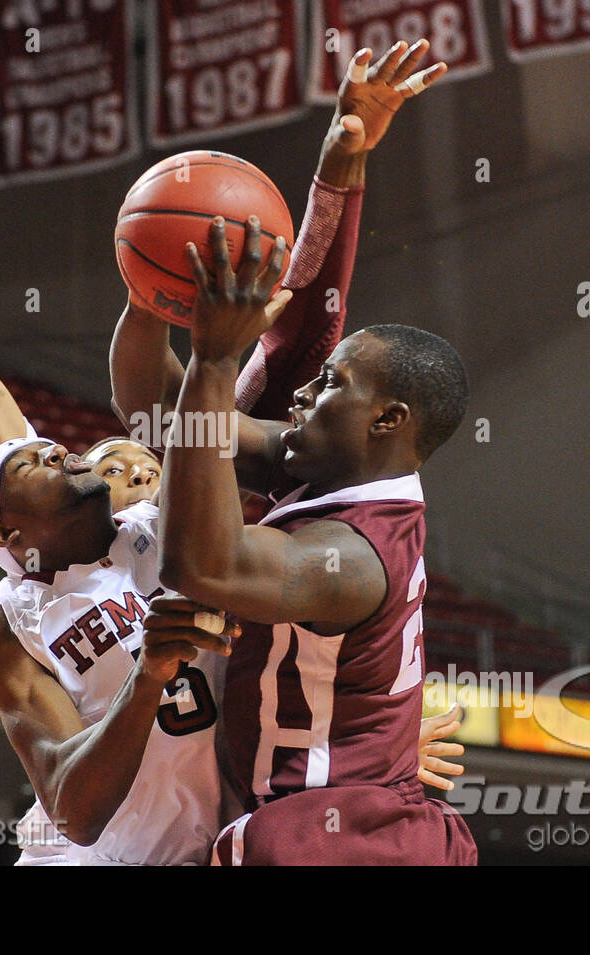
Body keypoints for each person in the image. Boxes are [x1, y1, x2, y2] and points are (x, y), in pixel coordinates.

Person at [0, 48, 459, 864]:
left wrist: (370, 755)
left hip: (227, 838)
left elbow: (275, 349)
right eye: (86, 461)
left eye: (133, 464)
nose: (92, 459)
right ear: (11, 535)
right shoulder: (13, 617)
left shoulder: (164, 523)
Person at [155, 217, 478, 862]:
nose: (304, 392)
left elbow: (201, 566)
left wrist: (218, 358)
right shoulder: (337, 473)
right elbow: (163, 411)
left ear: (387, 420)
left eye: (332, 384)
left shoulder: (354, 557)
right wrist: (150, 299)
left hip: (344, 844)